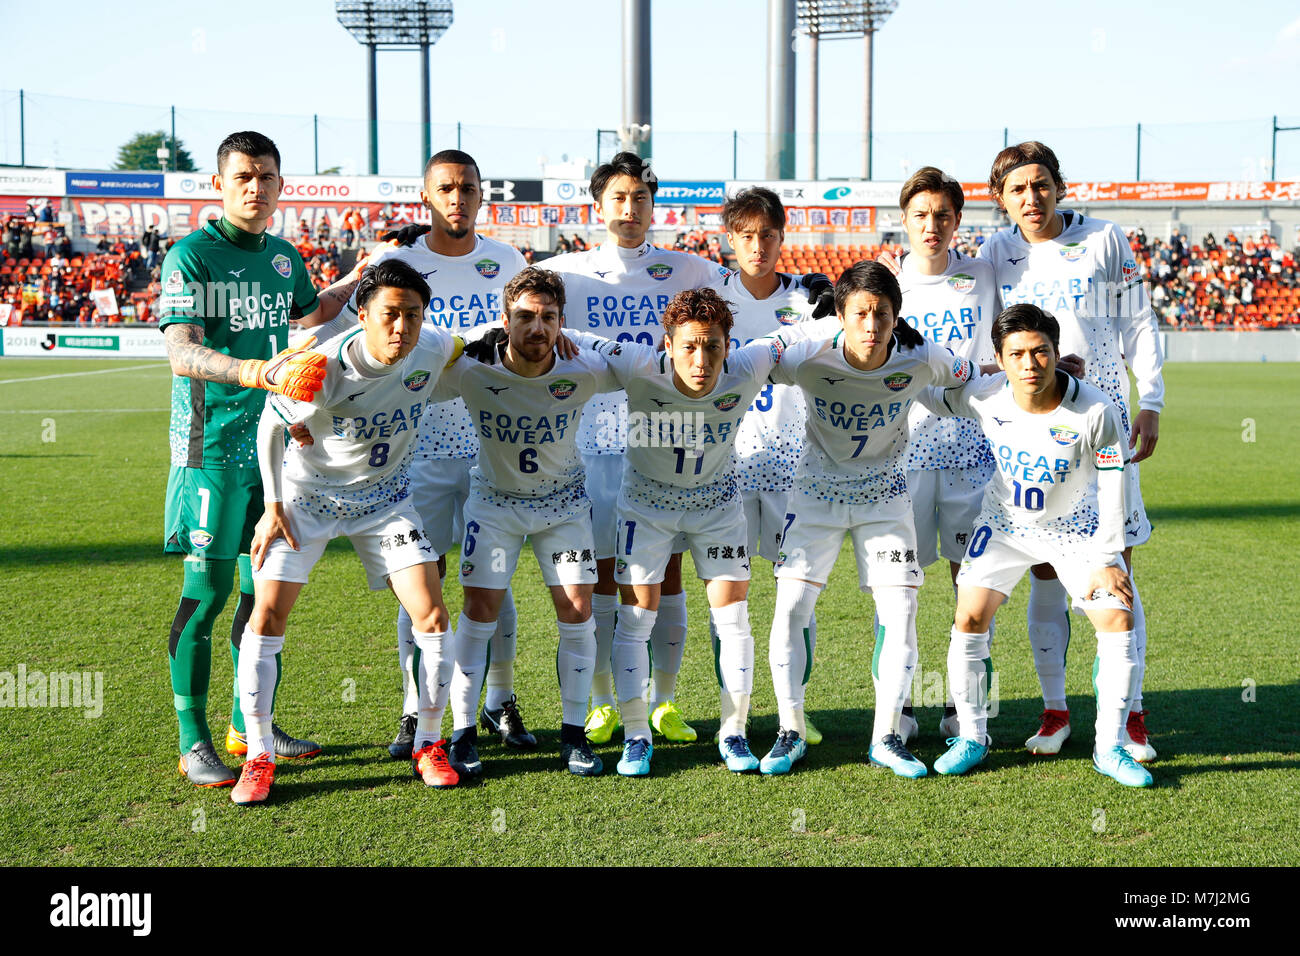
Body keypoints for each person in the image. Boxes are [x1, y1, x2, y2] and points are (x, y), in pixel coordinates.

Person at [159, 130, 358, 787]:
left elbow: (310, 315)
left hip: (270, 445)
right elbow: (183, 351)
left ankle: (249, 728)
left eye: (266, 176)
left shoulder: (281, 256)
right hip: (209, 446)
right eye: (243, 176)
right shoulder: (191, 256)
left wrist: (360, 278)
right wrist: (253, 372)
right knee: (209, 590)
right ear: (218, 184)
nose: (255, 186)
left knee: (263, 589)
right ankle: (193, 741)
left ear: (280, 185)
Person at [233, 259, 469, 803]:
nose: (401, 327)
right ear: (361, 315)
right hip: (307, 498)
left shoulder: (432, 347)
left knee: (431, 615)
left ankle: (429, 744)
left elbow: (467, 346)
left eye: (413, 315)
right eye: (389, 314)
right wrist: (272, 507)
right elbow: (271, 429)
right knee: (267, 614)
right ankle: (260, 753)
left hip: (385, 500)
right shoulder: (321, 368)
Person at [322, 150, 531, 761]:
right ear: (427, 195)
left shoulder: (507, 262)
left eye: (467, 188)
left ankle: (500, 700)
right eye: (446, 188)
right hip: (417, 450)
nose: (457, 198)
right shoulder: (396, 261)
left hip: (494, 443)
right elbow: (336, 327)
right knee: (422, 580)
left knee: (493, 578)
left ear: (480, 195)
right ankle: (417, 710)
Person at [978, 143, 1162, 761]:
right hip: (1032, 430)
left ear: (1059, 187)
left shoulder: (1105, 240)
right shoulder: (995, 254)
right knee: (1045, 571)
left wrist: (1151, 399)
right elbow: (987, 339)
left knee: (1118, 572)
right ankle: (1055, 711)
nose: (1031, 199)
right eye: (1017, 190)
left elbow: (1137, 323)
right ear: (1000, 199)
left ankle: (1131, 718)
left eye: (1040, 185)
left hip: (1099, 421)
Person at [540, 152, 730, 747]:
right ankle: (601, 702)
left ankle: (664, 702)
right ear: (597, 206)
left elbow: (745, 304)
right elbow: (505, 292)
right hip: (594, 437)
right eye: (618, 198)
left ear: (654, 204)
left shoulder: (688, 269)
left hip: (664, 432)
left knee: (664, 574)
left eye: (640, 198)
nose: (630, 209)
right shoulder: (567, 272)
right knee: (600, 573)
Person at [919, 304, 1151, 788]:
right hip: (1003, 526)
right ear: (1000, 360)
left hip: (1076, 529)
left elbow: (1115, 486)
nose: (1030, 364)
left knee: (1117, 618)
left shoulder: (1097, 411)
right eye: (1017, 354)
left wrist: (1108, 559)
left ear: (1056, 352)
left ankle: (1108, 748)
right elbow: (930, 394)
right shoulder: (986, 395)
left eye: (1040, 351)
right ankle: (973, 737)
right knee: (969, 617)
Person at [762, 262, 974, 777]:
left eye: (881, 313)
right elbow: (749, 361)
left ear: (896, 315)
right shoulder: (808, 352)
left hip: (885, 498)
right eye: (860, 312)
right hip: (815, 495)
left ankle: (885, 737)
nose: (871, 324)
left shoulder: (921, 355)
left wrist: (1055, 375)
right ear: (841, 314)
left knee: (900, 608)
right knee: (791, 604)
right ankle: (789, 729)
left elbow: (974, 378)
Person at [573, 288, 796, 775]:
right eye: (690, 347)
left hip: (716, 505)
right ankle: (636, 735)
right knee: (636, 618)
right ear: (667, 345)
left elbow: (798, 335)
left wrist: (836, 313)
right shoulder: (638, 365)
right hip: (647, 506)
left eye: (713, 347)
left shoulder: (749, 365)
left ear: (728, 345)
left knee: (733, 618)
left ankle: (733, 732)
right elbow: (575, 337)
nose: (702, 360)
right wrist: (495, 337)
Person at [432, 267, 614, 778]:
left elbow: (646, 365)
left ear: (562, 323)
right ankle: (463, 731)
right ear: (505, 320)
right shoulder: (471, 369)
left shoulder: (586, 369)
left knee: (578, 607)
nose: (537, 328)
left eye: (549, 318)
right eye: (525, 317)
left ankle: (574, 736)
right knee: (480, 607)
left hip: (564, 506)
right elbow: (412, 363)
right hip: (494, 505)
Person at [893, 167, 1001, 743]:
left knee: (974, 586)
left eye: (943, 215)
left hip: (975, 454)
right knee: (899, 588)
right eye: (921, 215)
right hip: (901, 457)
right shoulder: (885, 285)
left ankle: (969, 711)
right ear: (904, 220)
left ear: (957, 220)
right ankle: (899, 708)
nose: (932, 226)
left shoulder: (983, 275)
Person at [718, 186, 827, 746]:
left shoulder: (811, 299)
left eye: (767, 234)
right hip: (727, 468)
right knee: (729, 596)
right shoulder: (711, 296)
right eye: (746, 235)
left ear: (782, 237)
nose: (757, 245)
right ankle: (732, 719)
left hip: (794, 470)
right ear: (730, 239)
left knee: (796, 598)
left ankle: (795, 715)